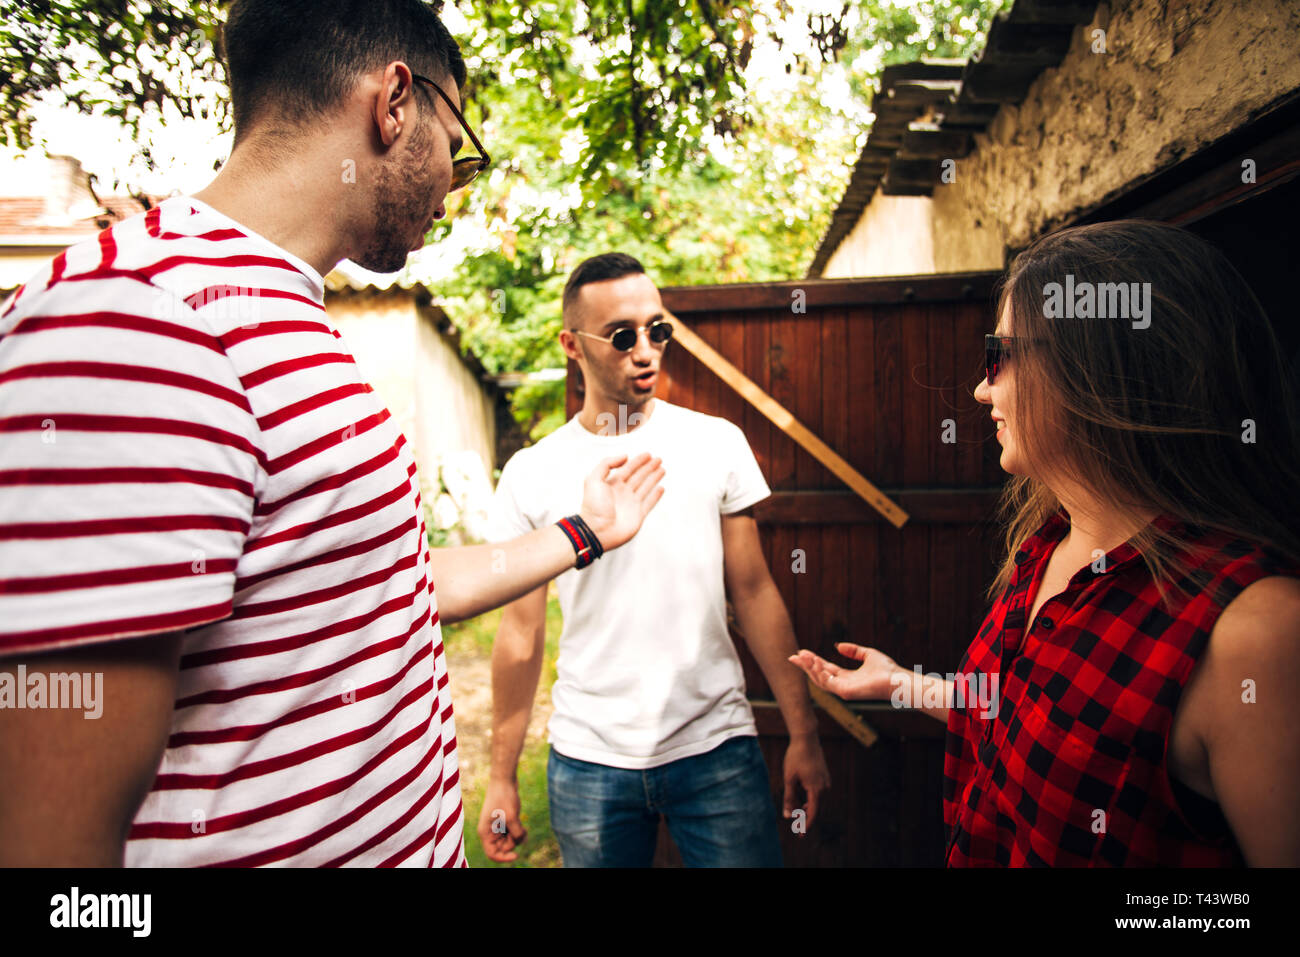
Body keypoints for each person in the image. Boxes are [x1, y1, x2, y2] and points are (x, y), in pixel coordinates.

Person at [0, 0, 666, 867]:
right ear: (396, 102)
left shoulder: (278, 319)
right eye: (458, 151)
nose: (451, 188)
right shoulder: (140, 319)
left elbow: (394, 589)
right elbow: (49, 842)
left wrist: (587, 533)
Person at [791, 220, 1300, 866]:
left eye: (1000, 356)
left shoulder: (1254, 629)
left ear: (1100, 365)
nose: (982, 388)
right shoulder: (1049, 541)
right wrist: (902, 684)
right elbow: (1021, 715)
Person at [476, 253, 830, 867]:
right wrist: (501, 776)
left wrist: (803, 731)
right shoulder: (532, 473)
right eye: (621, 335)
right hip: (588, 760)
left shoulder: (715, 441)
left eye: (657, 330)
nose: (646, 350)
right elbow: (520, 634)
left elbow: (753, 591)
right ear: (571, 344)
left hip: (716, 747)